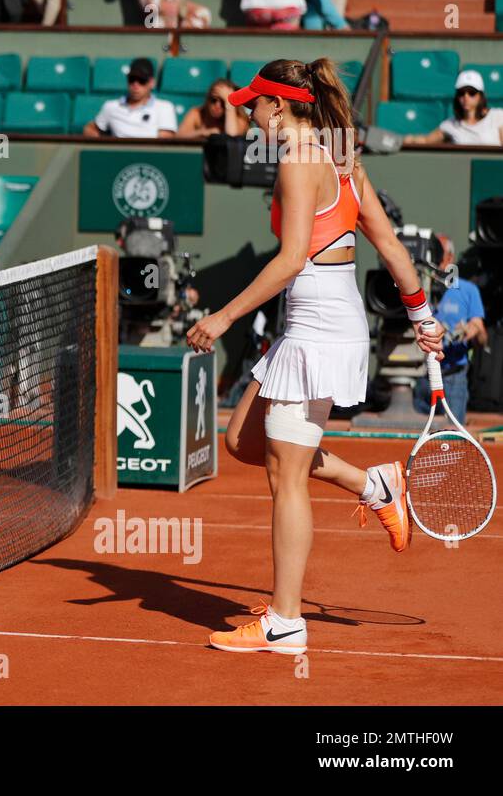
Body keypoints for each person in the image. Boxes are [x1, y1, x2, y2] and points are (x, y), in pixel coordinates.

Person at [188, 58, 444, 654]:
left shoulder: (302, 161)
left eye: (255, 104)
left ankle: (285, 622)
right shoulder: (343, 158)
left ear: (280, 106)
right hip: (318, 323)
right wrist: (422, 315)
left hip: (318, 328)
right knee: (243, 442)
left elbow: (290, 260)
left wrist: (223, 315)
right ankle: (374, 483)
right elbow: (389, 245)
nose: (249, 115)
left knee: (286, 473)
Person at [414, 236, 486, 418]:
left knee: (451, 437)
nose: (435, 262)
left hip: (453, 377)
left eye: (440, 256)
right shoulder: (419, 287)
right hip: (423, 376)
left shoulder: (468, 290)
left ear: (450, 258)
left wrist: (471, 329)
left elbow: (481, 332)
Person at [404, 70, 503, 146]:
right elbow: (425, 140)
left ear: (481, 96)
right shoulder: (450, 125)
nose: (466, 97)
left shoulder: (498, 116)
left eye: (471, 93)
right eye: (461, 93)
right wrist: (406, 139)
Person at [85, 58, 175, 138]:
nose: (135, 85)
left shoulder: (165, 107)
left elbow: (165, 141)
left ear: (152, 83)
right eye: (132, 79)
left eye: (141, 80)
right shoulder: (111, 106)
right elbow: (91, 128)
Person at [177, 78, 249, 139]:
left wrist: (229, 103)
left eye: (223, 102)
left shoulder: (240, 117)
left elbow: (232, 137)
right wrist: (203, 133)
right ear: (208, 100)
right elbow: (178, 136)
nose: (217, 105)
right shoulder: (198, 113)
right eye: (214, 100)